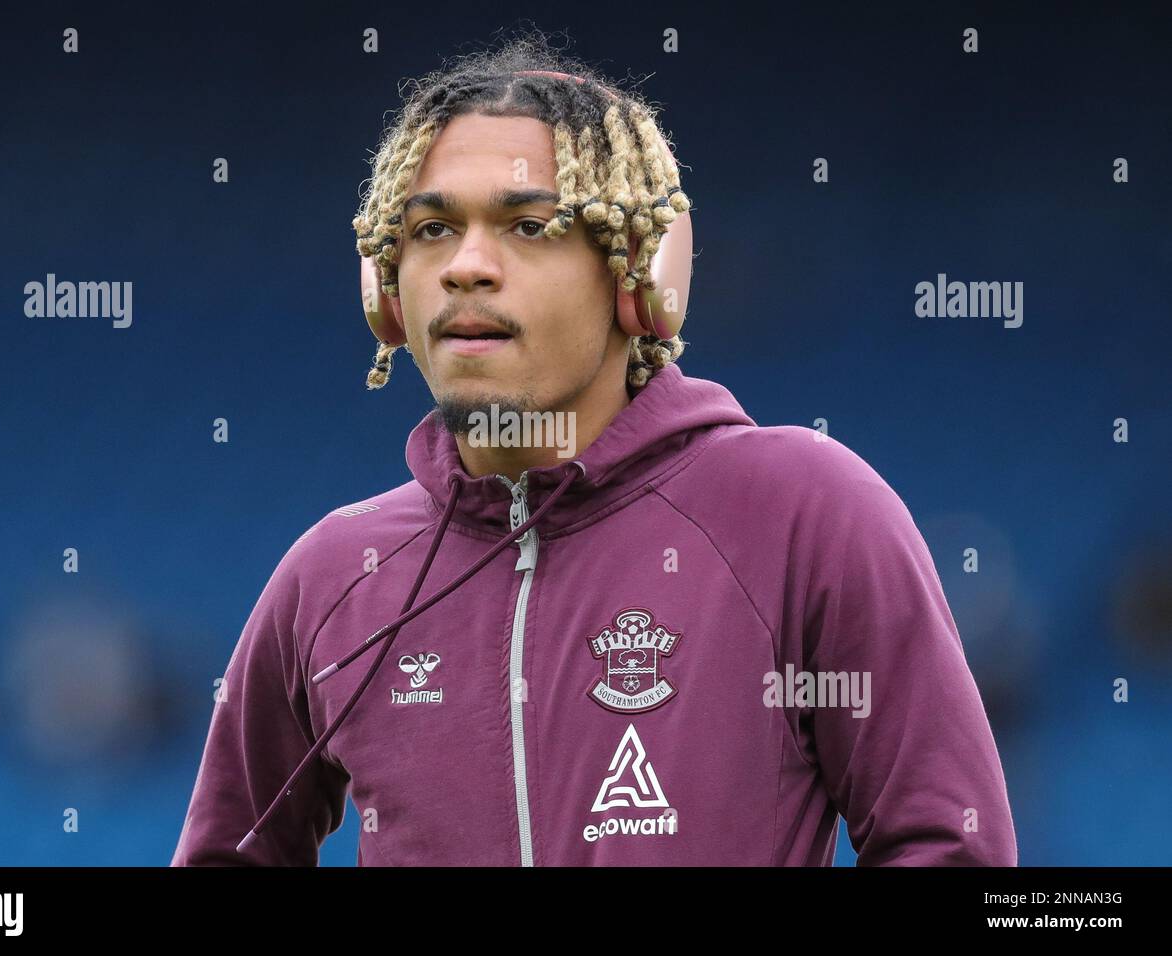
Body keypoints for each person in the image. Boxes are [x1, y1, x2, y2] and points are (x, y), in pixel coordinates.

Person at [170, 33, 1017, 866]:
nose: (466, 265)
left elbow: (947, 847)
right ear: (385, 294)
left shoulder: (803, 511)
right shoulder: (333, 575)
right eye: (430, 230)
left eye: (529, 226)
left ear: (639, 274)